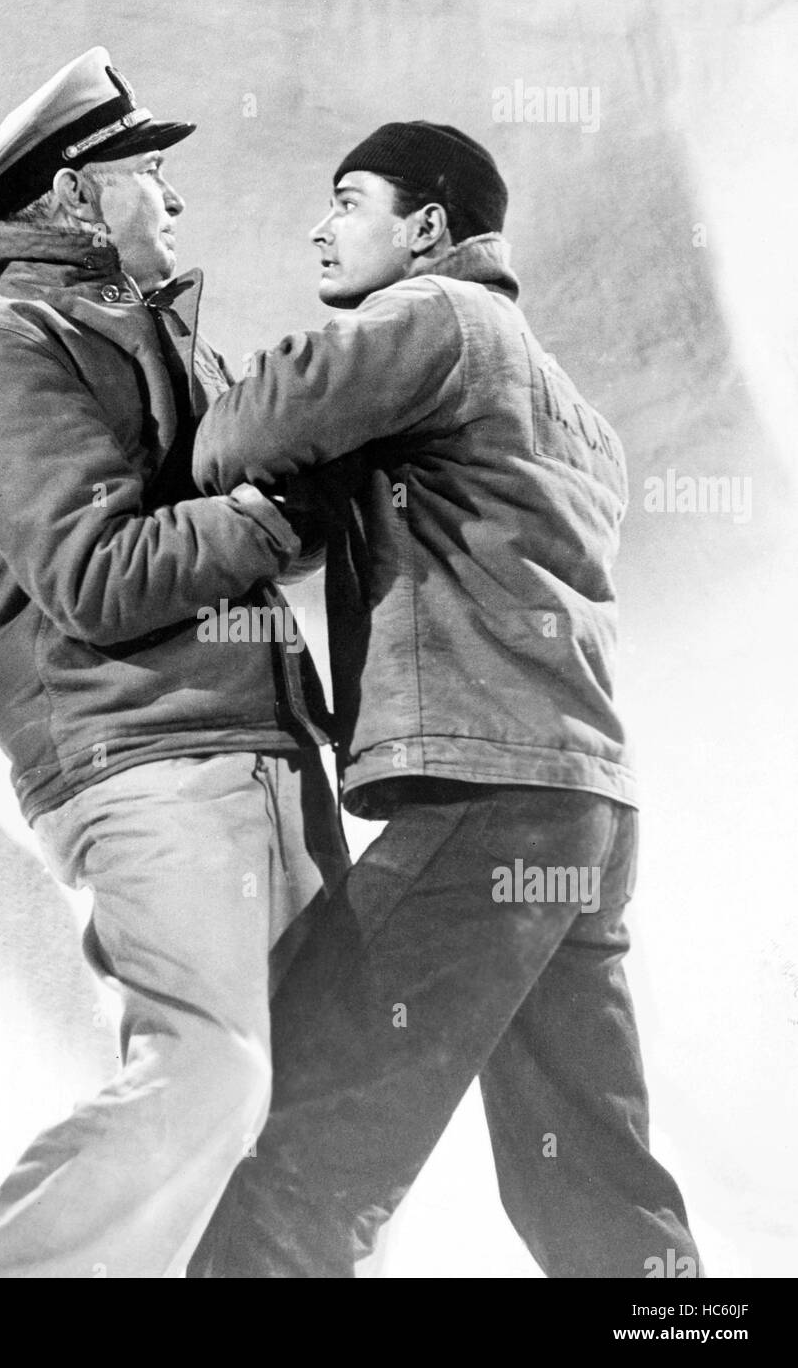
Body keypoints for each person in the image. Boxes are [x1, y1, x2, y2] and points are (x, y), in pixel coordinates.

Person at [186, 121, 701, 1278]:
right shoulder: (569, 404)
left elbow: (242, 435)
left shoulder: (433, 317)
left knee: (304, 1151)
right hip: (589, 811)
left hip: (488, 796)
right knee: (601, 1195)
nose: (320, 225)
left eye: (347, 199)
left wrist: (223, 423)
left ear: (427, 226)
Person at [0, 47, 347, 1279]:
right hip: (150, 760)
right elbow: (96, 575)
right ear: (69, 195)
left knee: (288, 1139)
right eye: (148, 174)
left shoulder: (164, 346)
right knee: (209, 1070)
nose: (174, 199)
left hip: (265, 762)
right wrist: (268, 515)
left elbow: (243, 527)